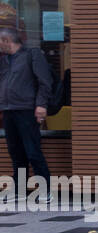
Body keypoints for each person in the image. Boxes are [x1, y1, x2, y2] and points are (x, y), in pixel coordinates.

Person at [0, 27, 54, 202]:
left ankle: (46, 190)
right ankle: (19, 190)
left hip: (27, 110)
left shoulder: (32, 55)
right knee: (16, 152)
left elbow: (44, 81)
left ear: (7, 41)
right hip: (9, 110)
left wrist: (41, 105)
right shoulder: (4, 60)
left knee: (32, 151)